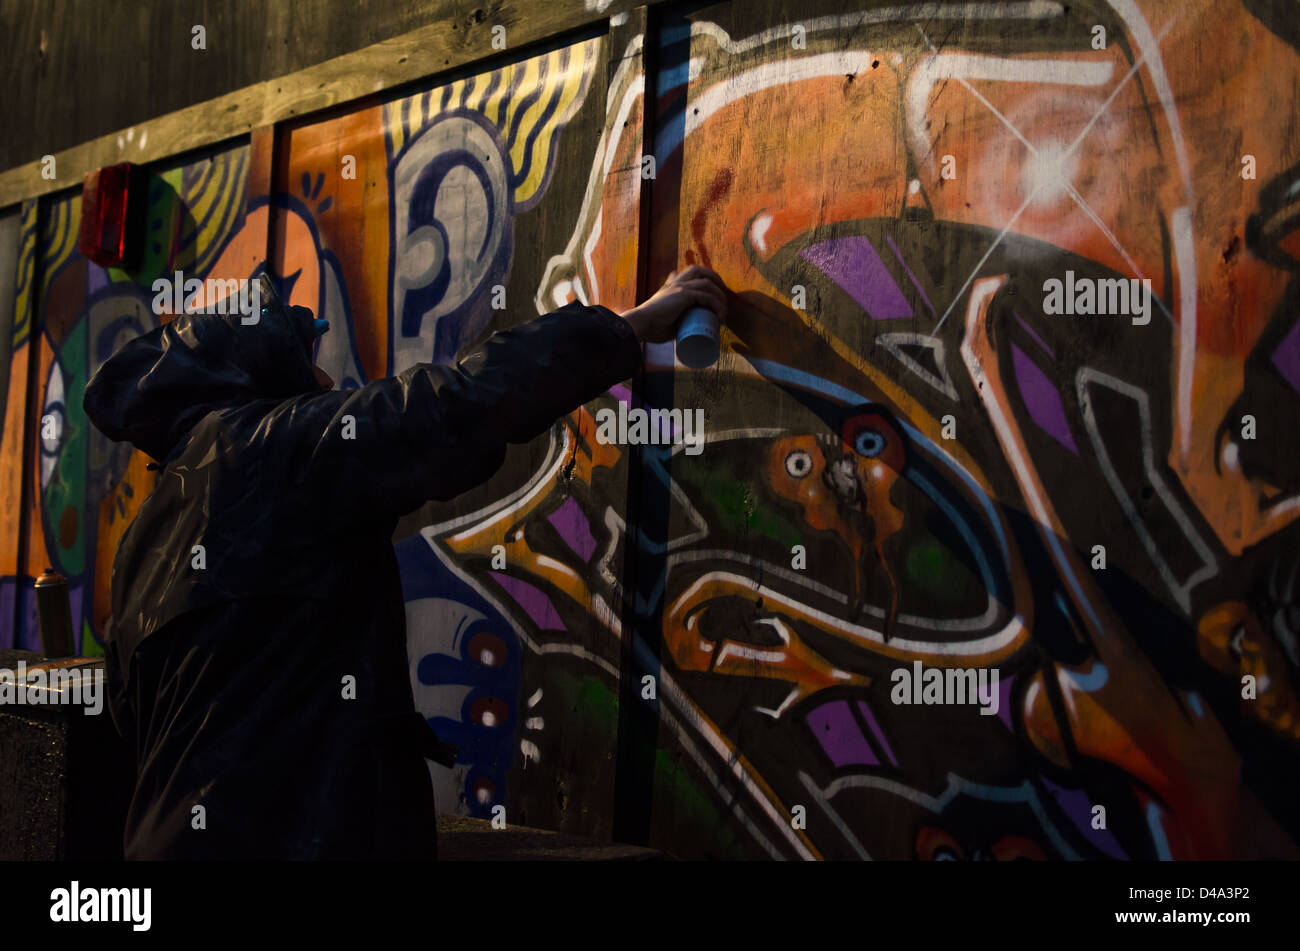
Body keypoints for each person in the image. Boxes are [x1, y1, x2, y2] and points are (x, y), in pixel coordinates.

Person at [82, 265, 729, 859]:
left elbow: (131, 737)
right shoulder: (275, 451)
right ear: (259, 373)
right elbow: (460, 400)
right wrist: (631, 325)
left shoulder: (144, 539)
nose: (330, 383)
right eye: (307, 364)